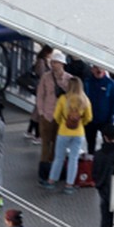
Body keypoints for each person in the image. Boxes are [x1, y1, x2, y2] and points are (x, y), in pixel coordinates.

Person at [44, 77, 92, 193]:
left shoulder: (63, 99)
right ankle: (69, 185)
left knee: (59, 157)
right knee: (73, 159)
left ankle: (51, 181)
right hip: (78, 133)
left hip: (63, 132)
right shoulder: (85, 100)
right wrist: (80, 124)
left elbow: (56, 116)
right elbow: (89, 117)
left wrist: (63, 123)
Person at [35, 50, 71, 179]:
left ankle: (54, 170)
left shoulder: (69, 79)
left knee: (58, 143)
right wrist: (41, 112)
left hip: (62, 117)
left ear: (62, 64)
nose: (53, 65)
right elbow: (40, 95)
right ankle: (44, 170)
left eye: (56, 62)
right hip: (47, 115)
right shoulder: (45, 77)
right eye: (52, 62)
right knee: (45, 143)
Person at [84, 65, 114, 154]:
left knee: (108, 145)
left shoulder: (111, 84)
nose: (99, 70)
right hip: (90, 120)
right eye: (96, 68)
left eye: (101, 67)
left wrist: (112, 117)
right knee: (90, 143)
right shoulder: (87, 83)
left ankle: (106, 161)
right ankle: (91, 160)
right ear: (92, 69)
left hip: (105, 121)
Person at [24, 46, 53, 143]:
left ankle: (30, 132)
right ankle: (37, 135)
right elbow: (42, 75)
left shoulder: (41, 60)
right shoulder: (41, 62)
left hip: (41, 89)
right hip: (42, 89)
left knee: (36, 111)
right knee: (38, 112)